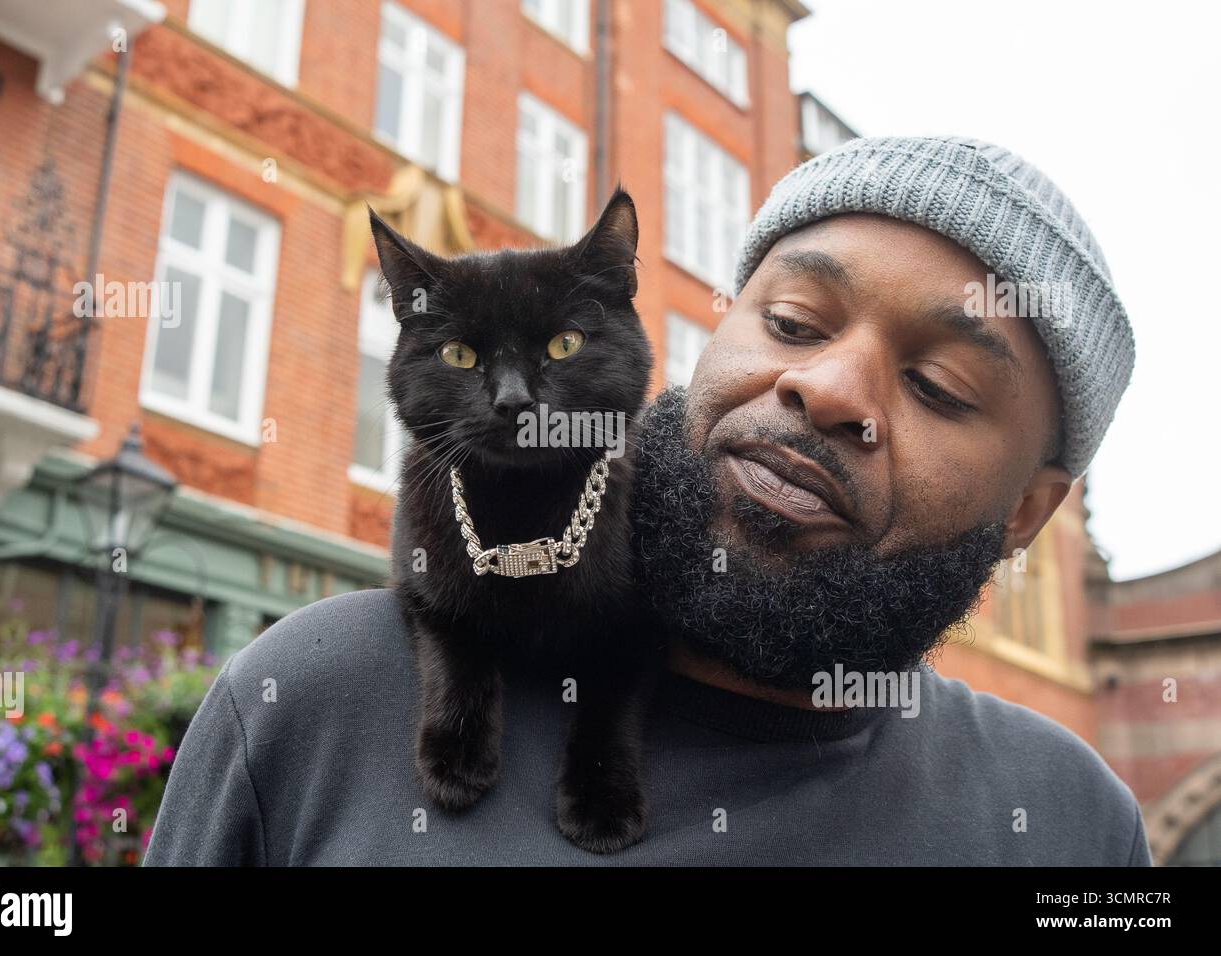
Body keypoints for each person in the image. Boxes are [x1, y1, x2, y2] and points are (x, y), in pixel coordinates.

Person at [145, 136, 1149, 865]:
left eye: (937, 387)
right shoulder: (304, 703)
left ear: (1027, 512)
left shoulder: (1071, 825)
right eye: (795, 320)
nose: (829, 387)